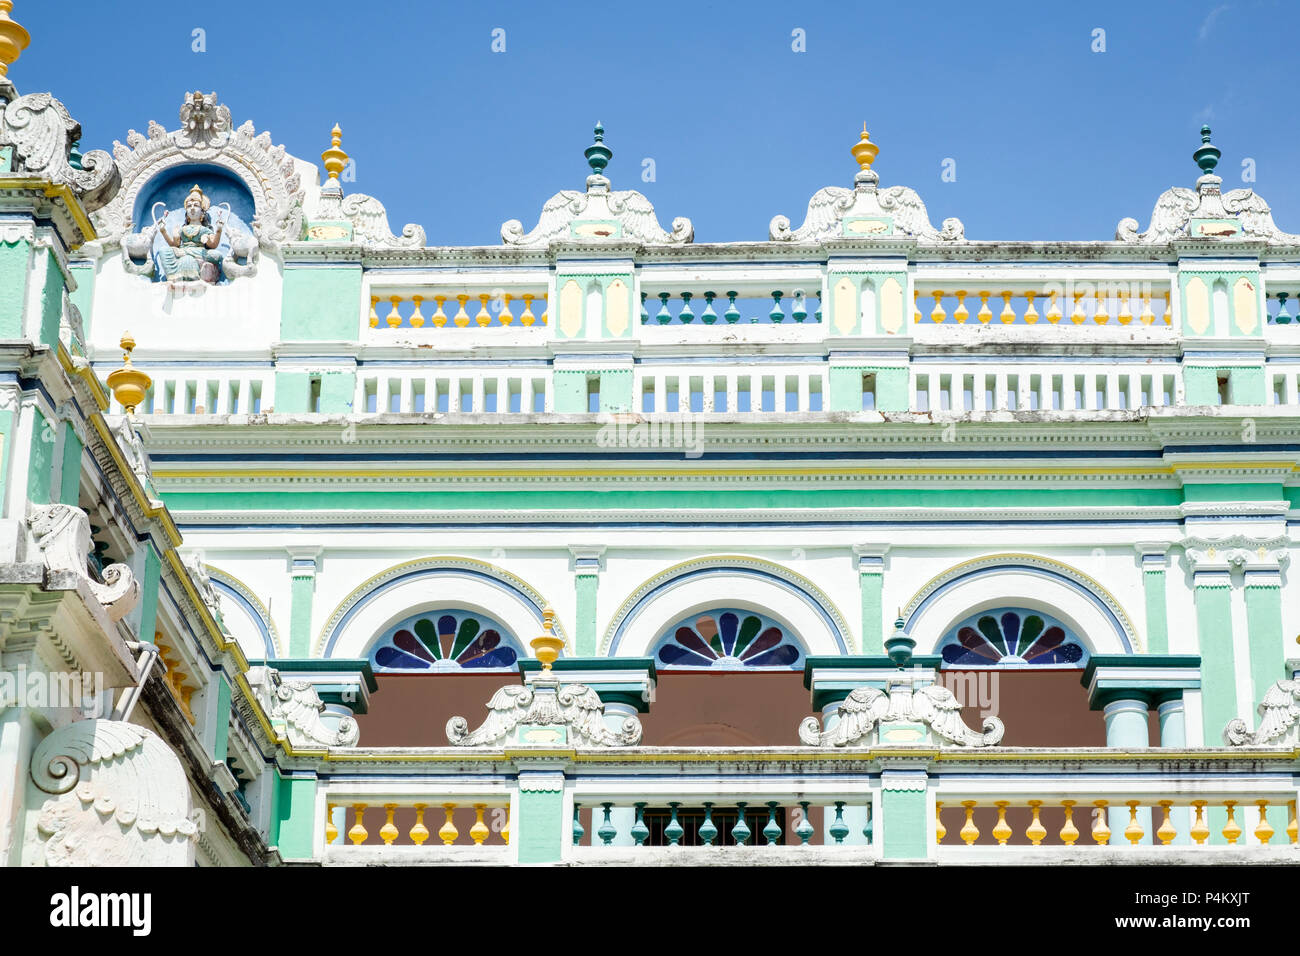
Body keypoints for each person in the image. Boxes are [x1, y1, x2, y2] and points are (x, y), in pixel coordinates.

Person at [157, 185, 225, 283]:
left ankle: (187, 257)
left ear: (202, 213)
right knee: (163, 250)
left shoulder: (204, 229)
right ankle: (174, 275)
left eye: (196, 205)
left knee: (216, 255)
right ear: (186, 212)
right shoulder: (182, 229)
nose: (192, 208)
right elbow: (174, 245)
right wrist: (163, 231)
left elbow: (213, 245)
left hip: (199, 251)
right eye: (189, 206)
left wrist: (218, 230)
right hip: (182, 250)